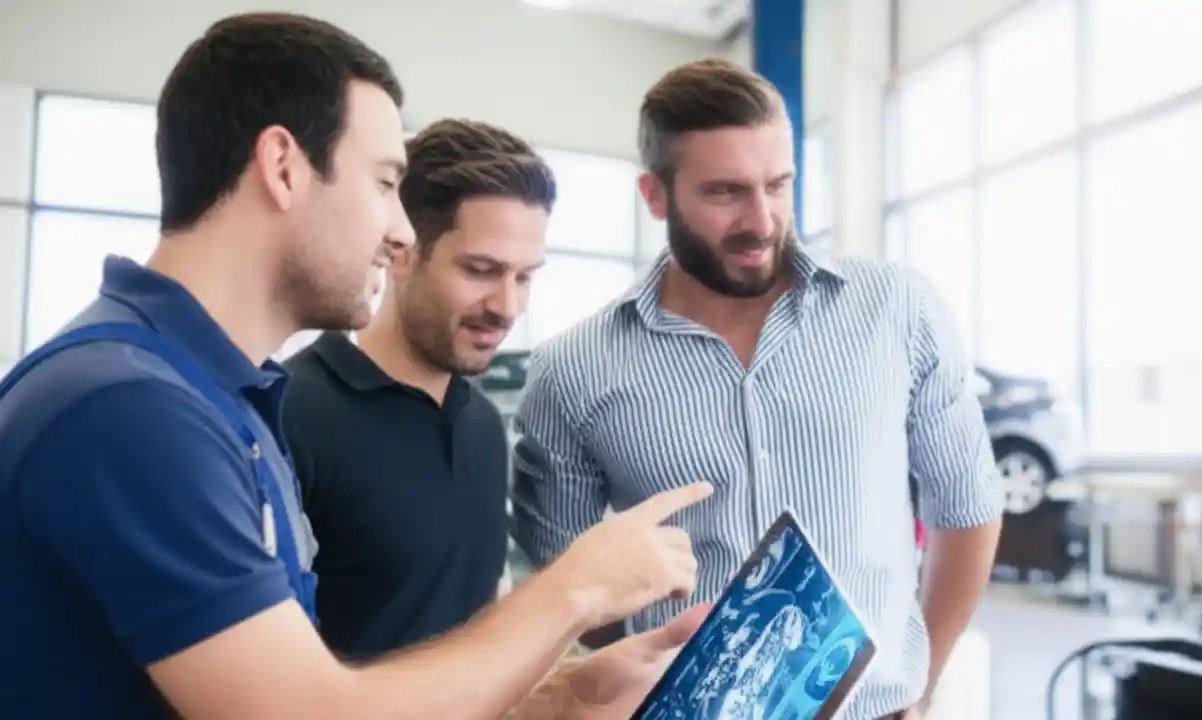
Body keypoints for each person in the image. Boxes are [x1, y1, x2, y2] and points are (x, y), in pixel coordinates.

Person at [0, 13, 712, 719]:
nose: (398, 231)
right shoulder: (129, 410)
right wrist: (576, 589)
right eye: (382, 184)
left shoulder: (223, 402)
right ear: (283, 168)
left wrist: (562, 694)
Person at [511, 58, 1005, 720]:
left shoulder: (899, 313)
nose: (762, 219)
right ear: (655, 196)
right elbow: (559, 583)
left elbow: (968, 506)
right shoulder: (573, 371)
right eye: (725, 192)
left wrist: (920, 688)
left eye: (779, 184)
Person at [281, 118, 552, 659]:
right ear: (401, 250)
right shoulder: (288, 412)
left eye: (523, 277)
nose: (507, 307)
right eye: (480, 270)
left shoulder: (479, 424)